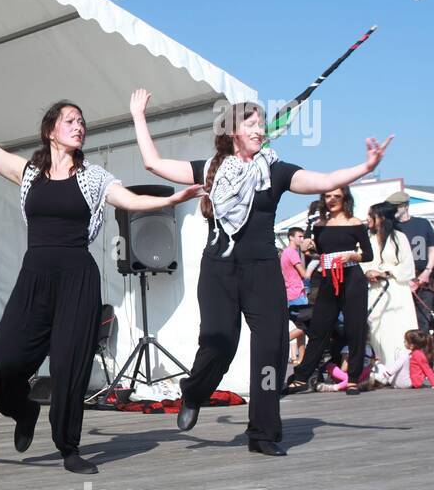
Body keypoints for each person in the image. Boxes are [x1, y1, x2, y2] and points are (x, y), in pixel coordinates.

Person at [0, 69, 201, 474]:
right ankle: (20, 409)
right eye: (70, 120)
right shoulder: (28, 172)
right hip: (36, 276)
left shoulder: (93, 178)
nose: (79, 127)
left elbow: (129, 200)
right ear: (51, 130)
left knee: (70, 366)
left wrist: (174, 199)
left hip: (78, 277)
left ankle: (68, 446)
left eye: (82, 122)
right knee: (6, 357)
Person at [130, 91, 392, 457]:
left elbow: (324, 179)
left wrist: (364, 168)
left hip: (263, 271)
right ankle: (194, 392)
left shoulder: (276, 170)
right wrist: (138, 116)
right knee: (219, 344)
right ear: (232, 131)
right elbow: (153, 164)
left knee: (272, 346)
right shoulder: (211, 169)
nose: (259, 130)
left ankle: (263, 432)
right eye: (251, 123)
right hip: (219, 269)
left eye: (262, 124)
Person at [284, 187, 372, 394]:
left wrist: (352, 256)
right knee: (319, 328)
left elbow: (368, 254)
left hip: (352, 278)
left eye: (337, 196)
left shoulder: (354, 223)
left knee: (354, 328)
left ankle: (353, 378)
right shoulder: (318, 225)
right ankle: (302, 376)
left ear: (345, 199)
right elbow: (316, 253)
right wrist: (309, 248)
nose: (331, 199)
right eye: (328, 196)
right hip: (328, 277)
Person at [362, 201, 419, 371]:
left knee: (398, 326)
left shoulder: (398, 237)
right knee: (376, 327)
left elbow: (408, 267)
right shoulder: (367, 238)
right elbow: (361, 260)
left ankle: (402, 368)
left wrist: (387, 271)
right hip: (375, 289)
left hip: (395, 288)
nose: (367, 218)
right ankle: (380, 367)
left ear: (381, 217)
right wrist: (368, 272)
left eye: (371, 214)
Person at [387, 190, 434, 332]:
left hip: (423, 278)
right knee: (402, 320)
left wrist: (427, 272)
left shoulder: (422, 223)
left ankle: (423, 353)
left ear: (406, 206)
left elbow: (432, 249)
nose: (394, 210)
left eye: (397, 206)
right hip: (400, 280)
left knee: (423, 321)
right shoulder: (391, 227)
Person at [280, 226, 311, 308]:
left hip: (290, 293)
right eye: (299, 236)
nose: (302, 239)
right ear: (291, 237)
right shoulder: (292, 252)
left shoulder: (285, 252)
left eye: (303, 237)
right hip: (297, 293)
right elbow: (304, 274)